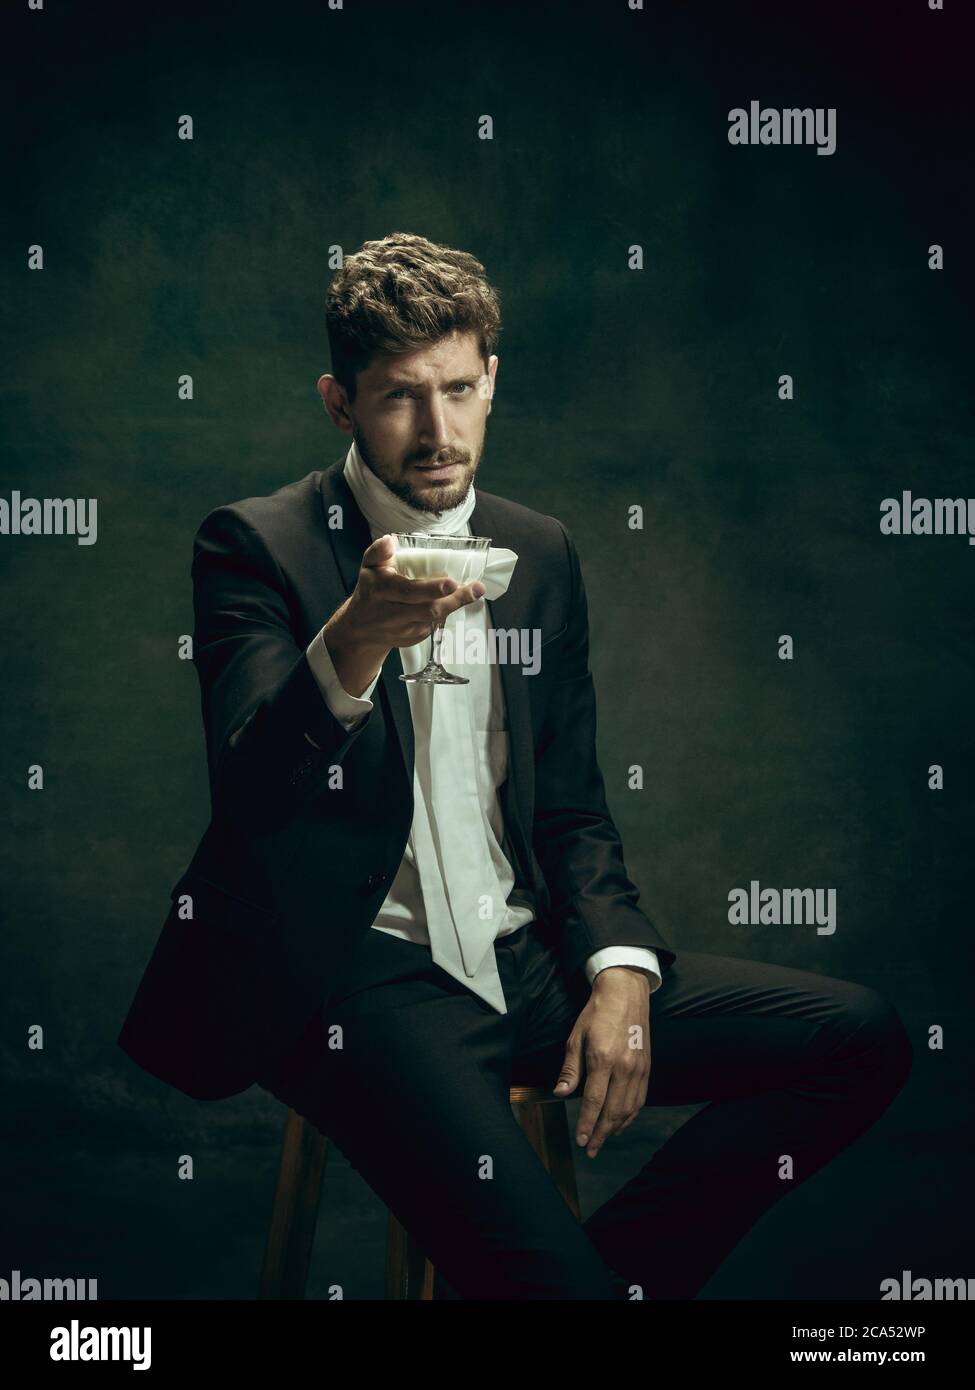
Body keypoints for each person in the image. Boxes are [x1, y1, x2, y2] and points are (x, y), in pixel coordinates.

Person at [118, 231, 913, 1300]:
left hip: (524, 963)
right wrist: (353, 637)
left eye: (458, 388)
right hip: (357, 980)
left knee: (859, 1040)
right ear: (339, 402)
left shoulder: (538, 552)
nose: (438, 430)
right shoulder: (257, 545)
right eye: (400, 397)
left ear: (493, 382)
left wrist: (621, 967)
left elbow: (574, 810)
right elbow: (253, 794)